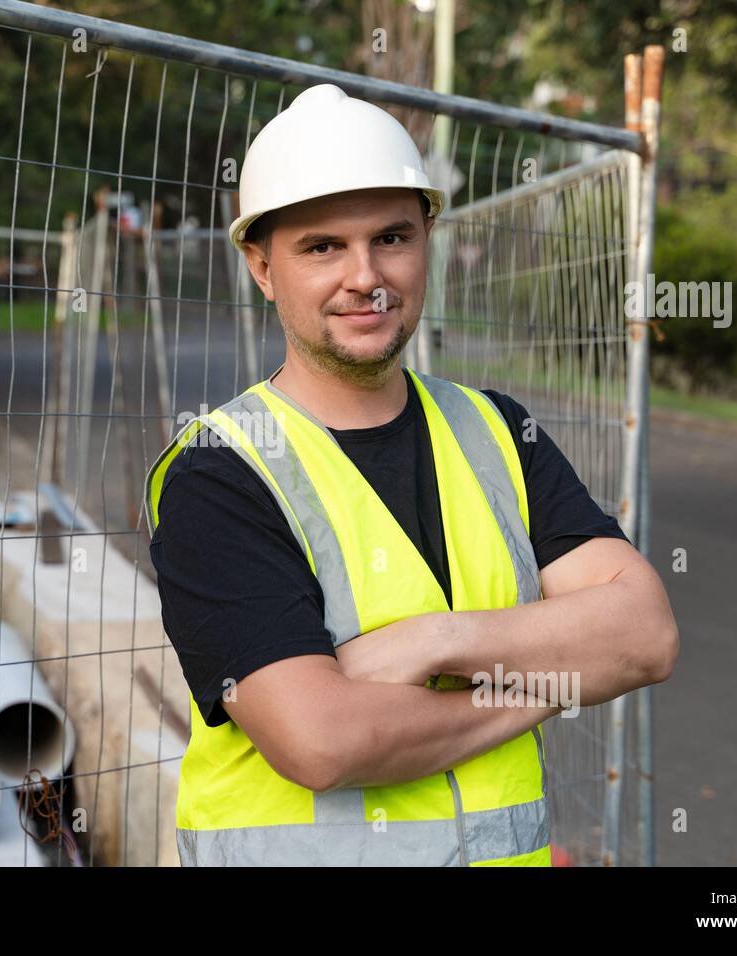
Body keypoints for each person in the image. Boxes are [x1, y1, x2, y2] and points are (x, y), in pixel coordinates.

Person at [144, 83, 678, 866]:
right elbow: (322, 741)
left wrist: (438, 642)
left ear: (427, 236)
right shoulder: (221, 472)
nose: (366, 276)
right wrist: (548, 681)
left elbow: (644, 635)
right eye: (322, 247)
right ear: (261, 267)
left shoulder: (498, 430)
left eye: (391, 237)